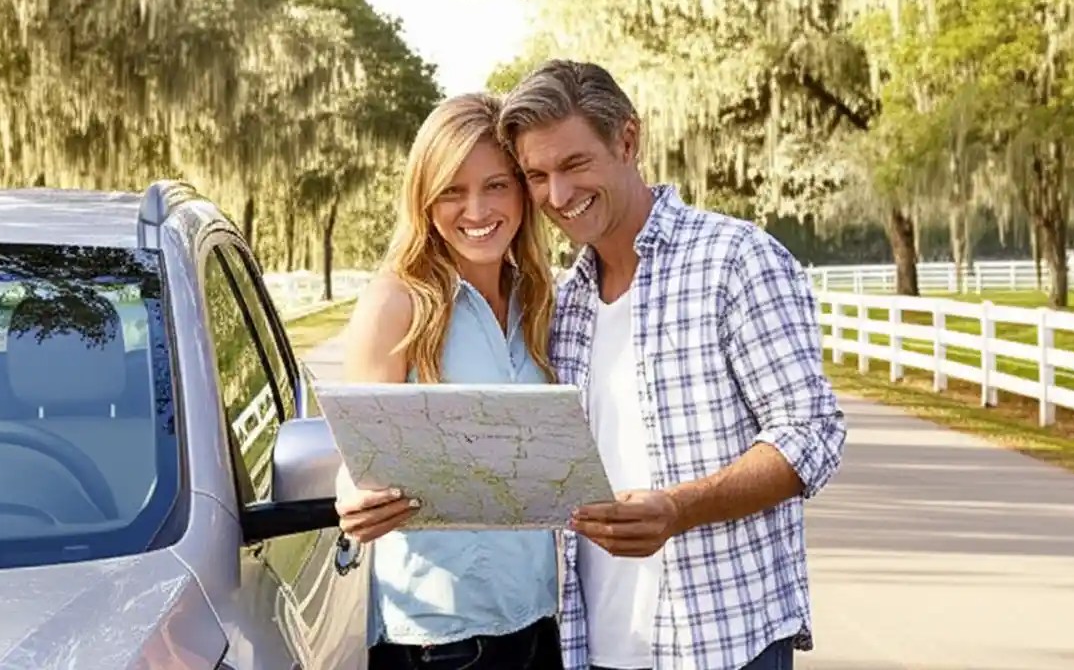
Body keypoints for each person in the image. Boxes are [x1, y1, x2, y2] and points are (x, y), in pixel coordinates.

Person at [496, 60, 848, 670]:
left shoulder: (735, 259)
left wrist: (677, 509)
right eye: (537, 175)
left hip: (723, 643)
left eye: (575, 164)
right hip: (592, 647)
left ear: (628, 140)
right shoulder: (564, 303)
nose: (558, 196)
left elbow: (812, 433)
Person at [332, 92, 564, 670]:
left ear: (521, 191)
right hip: (441, 641)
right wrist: (351, 497)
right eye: (452, 191)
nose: (476, 209)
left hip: (539, 620)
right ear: (425, 200)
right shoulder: (395, 304)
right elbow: (354, 460)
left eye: (496, 185)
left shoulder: (538, 299)